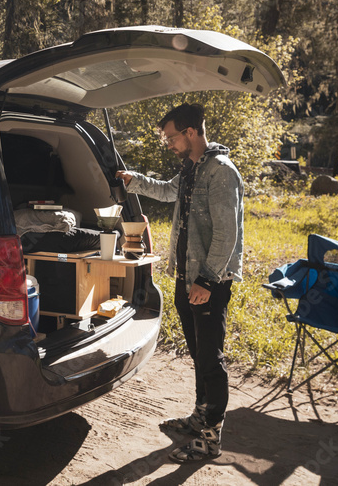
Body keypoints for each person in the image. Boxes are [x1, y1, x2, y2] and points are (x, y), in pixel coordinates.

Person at [115, 102, 243, 463]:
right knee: (199, 354)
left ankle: (211, 439)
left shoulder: (221, 172)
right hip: (187, 278)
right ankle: (200, 416)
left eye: (171, 137)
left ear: (191, 133)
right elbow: (168, 191)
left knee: (211, 358)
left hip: (208, 281)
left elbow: (226, 234)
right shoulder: (191, 168)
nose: (168, 144)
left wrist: (205, 280)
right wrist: (134, 180)